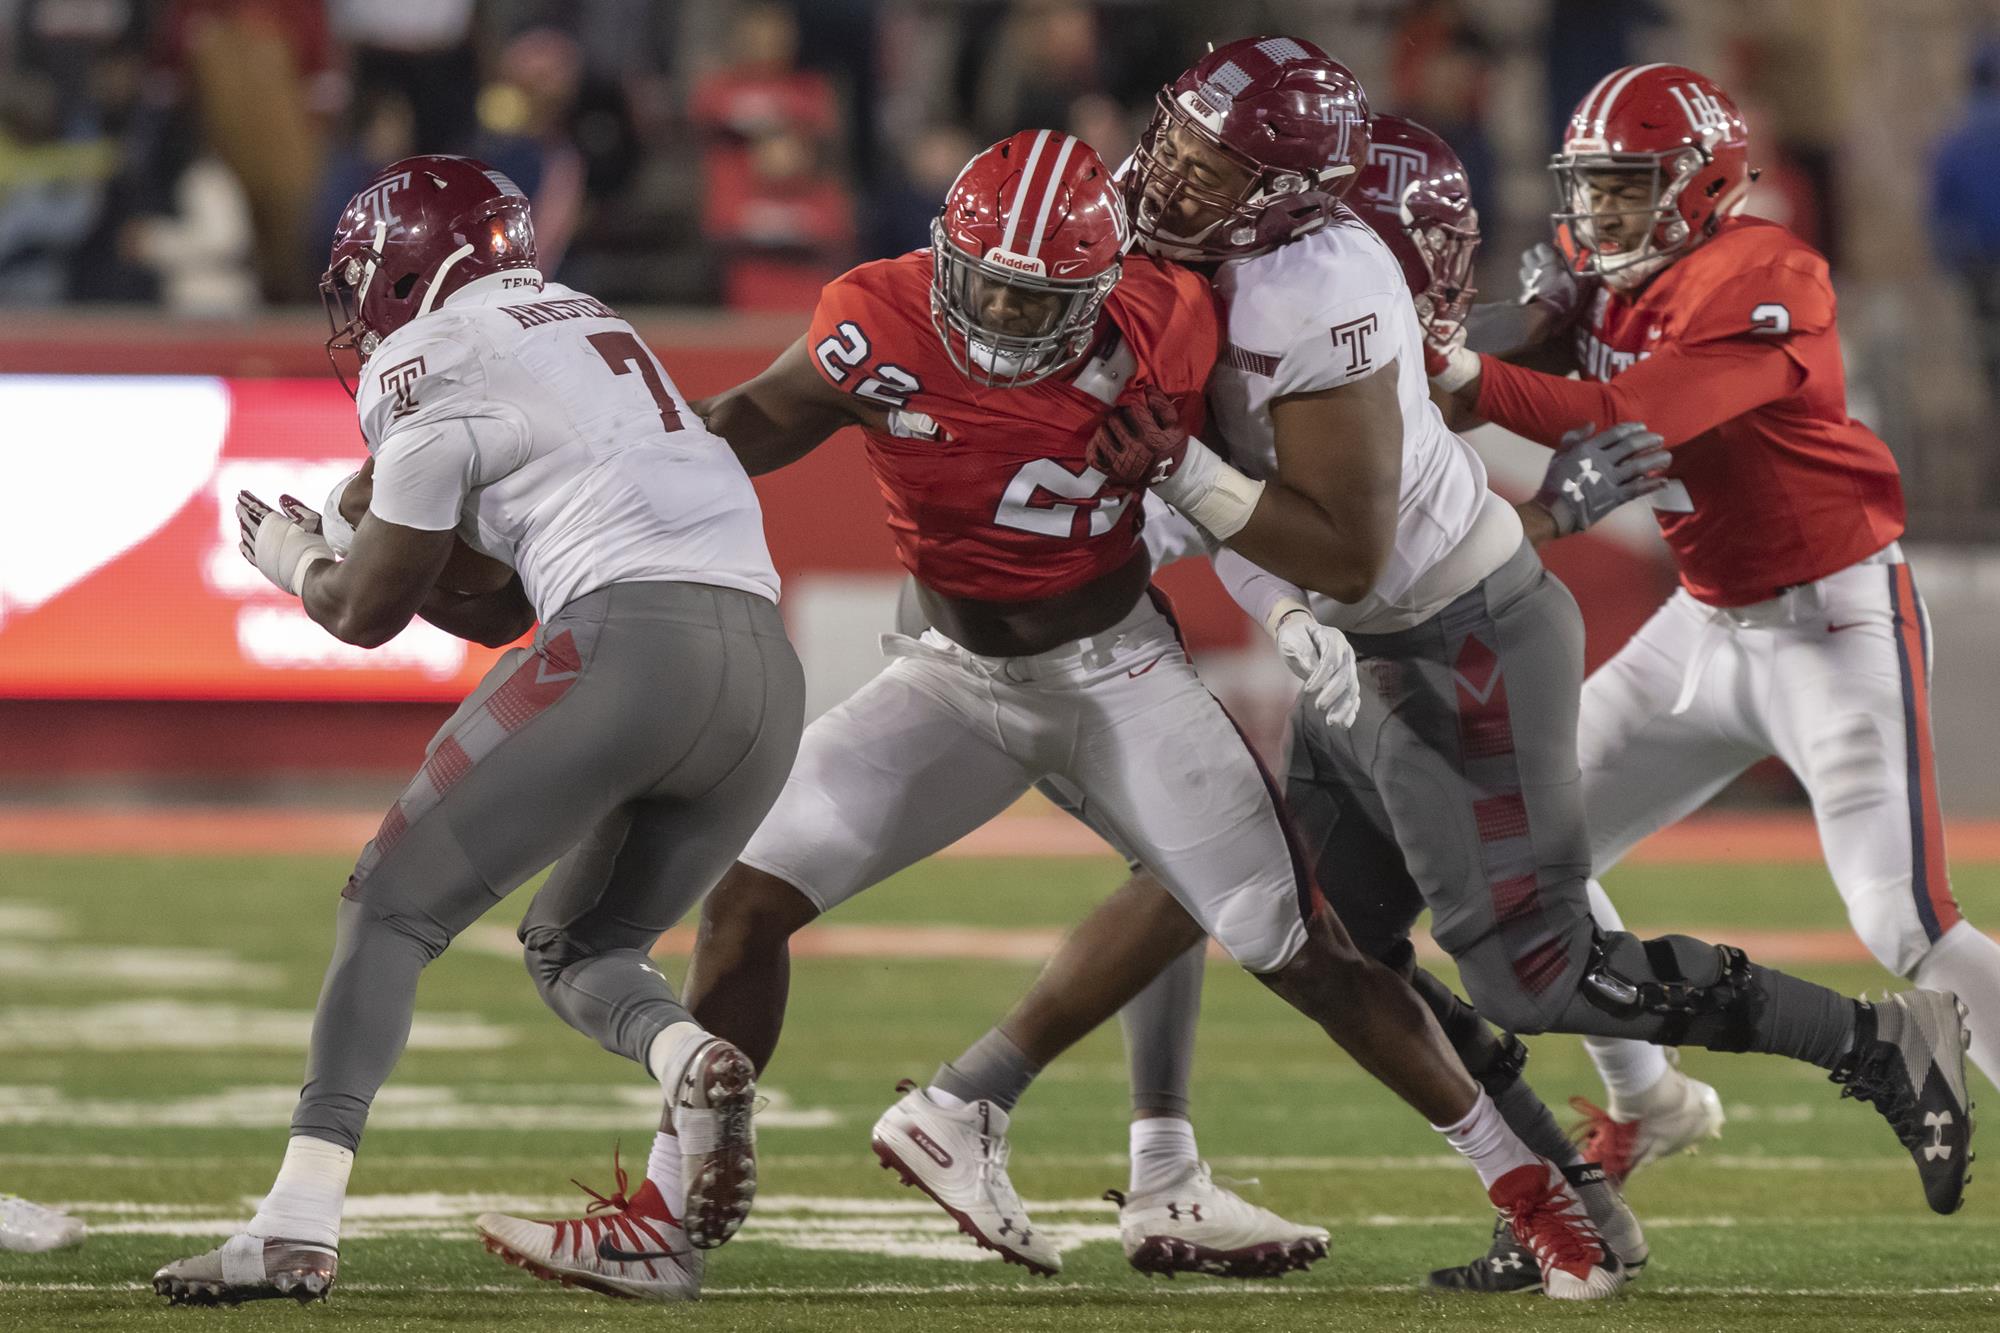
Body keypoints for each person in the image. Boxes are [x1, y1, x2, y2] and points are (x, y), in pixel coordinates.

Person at [900, 41, 1972, 1300]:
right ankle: (1565, 1207)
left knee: (1533, 969)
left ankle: (1871, 1038)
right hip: (1370, 638)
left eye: (1214, 163)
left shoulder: (1321, 282)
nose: (1173, 175)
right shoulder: (1178, 256)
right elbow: (1231, 498)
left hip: (1456, 637)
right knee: (1332, 943)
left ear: (1292, 203)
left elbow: (1341, 539)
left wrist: (1187, 494)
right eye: (1177, 140)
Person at [682, 128, 1630, 1300]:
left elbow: (1268, 491)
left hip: (1114, 674)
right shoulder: (876, 316)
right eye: (985, 285)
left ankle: (1525, 1195)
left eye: (1039, 300)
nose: (1003, 317)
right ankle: (679, 1201)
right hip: (950, 676)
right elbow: (738, 425)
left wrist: (1270, 588)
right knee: (742, 901)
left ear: (1101, 283)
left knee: (1299, 947)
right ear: (942, 256)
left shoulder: (1172, 324)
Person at [152, 155, 804, 1306]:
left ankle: (295, 1223)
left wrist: (294, 555)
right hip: (763, 673)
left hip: (626, 649)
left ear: (413, 269)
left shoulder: (426, 355)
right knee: (581, 948)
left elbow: (364, 612)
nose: (360, 311)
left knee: (389, 908)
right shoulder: (584, 321)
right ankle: (690, 1054)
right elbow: (498, 604)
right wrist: (370, 533)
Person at [1429, 61, 1998, 1195]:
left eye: (1627, 186)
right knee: (1522, 859)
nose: (1600, 213)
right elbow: (1498, 364)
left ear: (1700, 183)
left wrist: (1453, 361)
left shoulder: (1762, 271)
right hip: (1702, 625)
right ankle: (1650, 1100)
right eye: (1591, 186)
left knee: (1904, 921)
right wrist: (1475, 340)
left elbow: (1621, 413)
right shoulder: (1608, 277)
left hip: (1832, 623)